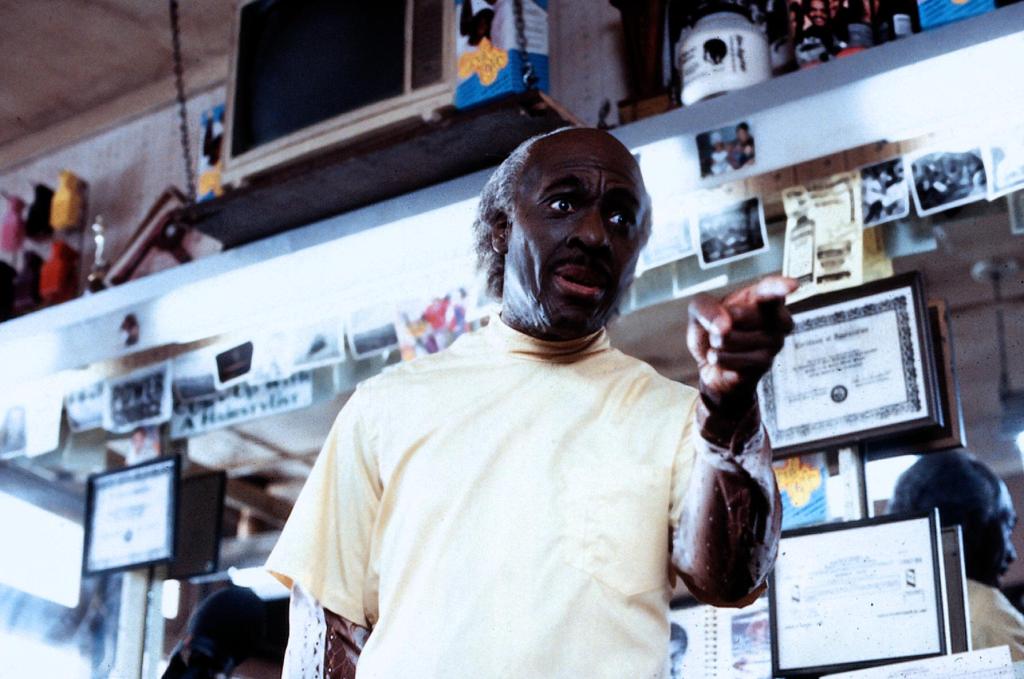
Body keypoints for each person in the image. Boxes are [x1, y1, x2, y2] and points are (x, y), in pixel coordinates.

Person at [266, 127, 797, 678]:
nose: (594, 235)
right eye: (563, 204)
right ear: (503, 228)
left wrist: (730, 410)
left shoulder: (680, 417)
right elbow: (325, 630)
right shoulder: (385, 407)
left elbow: (732, 580)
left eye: (620, 218)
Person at [890, 451, 1024, 660]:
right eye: (1006, 527)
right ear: (972, 528)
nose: (1012, 554)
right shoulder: (986, 613)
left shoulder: (896, 616)